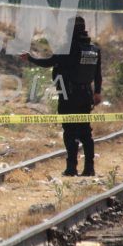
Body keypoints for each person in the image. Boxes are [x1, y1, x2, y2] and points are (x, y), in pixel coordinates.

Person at [20, 16, 102, 176]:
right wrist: (97, 92)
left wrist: (29, 57)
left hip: (69, 95)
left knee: (70, 131)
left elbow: (48, 62)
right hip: (86, 94)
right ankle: (89, 168)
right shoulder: (93, 50)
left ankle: (71, 168)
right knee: (86, 132)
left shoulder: (67, 49)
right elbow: (98, 74)